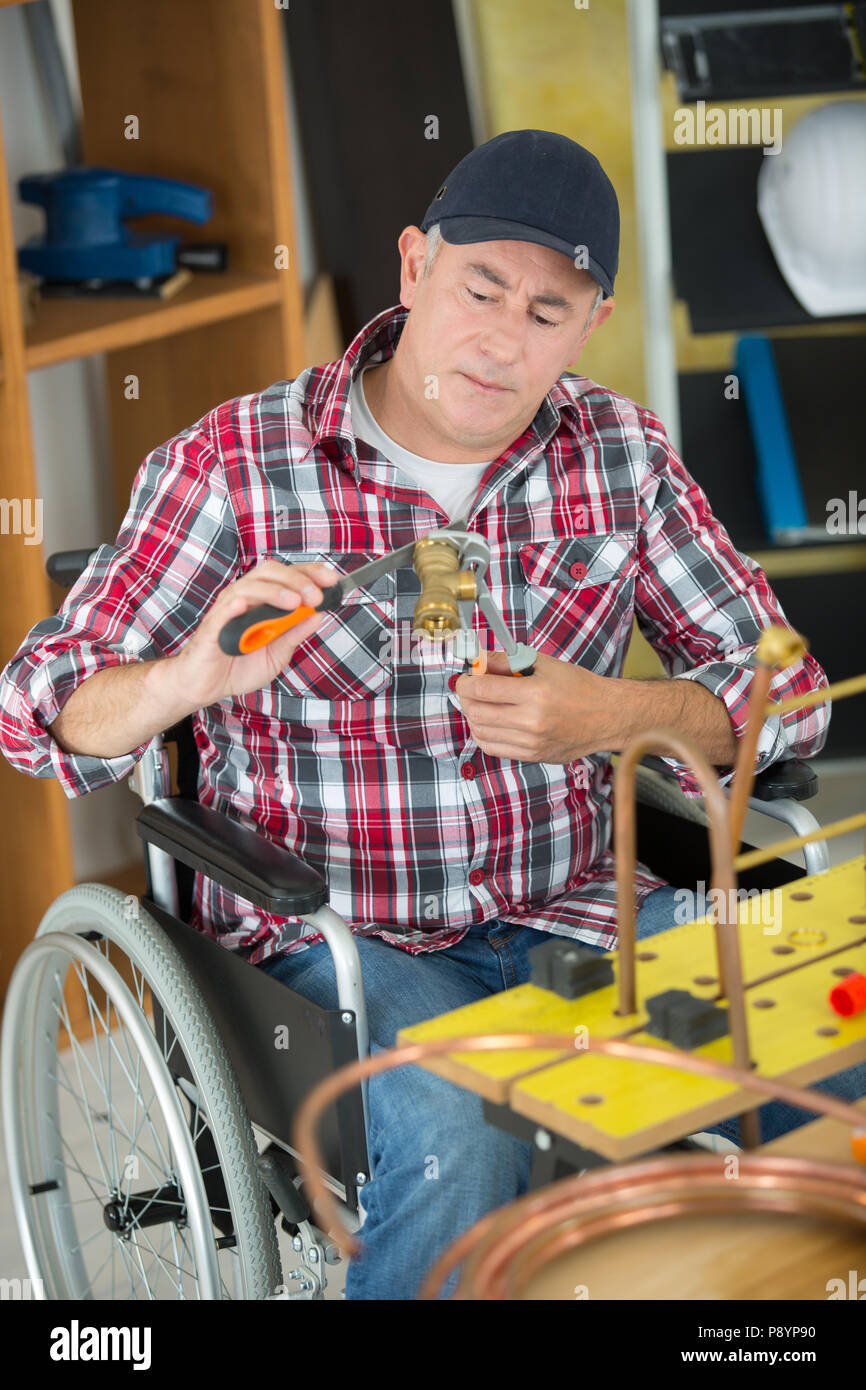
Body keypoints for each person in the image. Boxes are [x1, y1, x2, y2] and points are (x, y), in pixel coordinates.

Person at [0, 129, 861, 1301]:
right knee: (467, 1125)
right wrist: (188, 678)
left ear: (588, 322)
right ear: (413, 267)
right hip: (336, 945)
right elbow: (36, 704)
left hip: (577, 910)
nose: (503, 342)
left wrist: (613, 714)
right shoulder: (239, 464)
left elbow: (792, 699)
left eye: (546, 312)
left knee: (834, 1015)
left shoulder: (620, 459)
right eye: (479, 289)